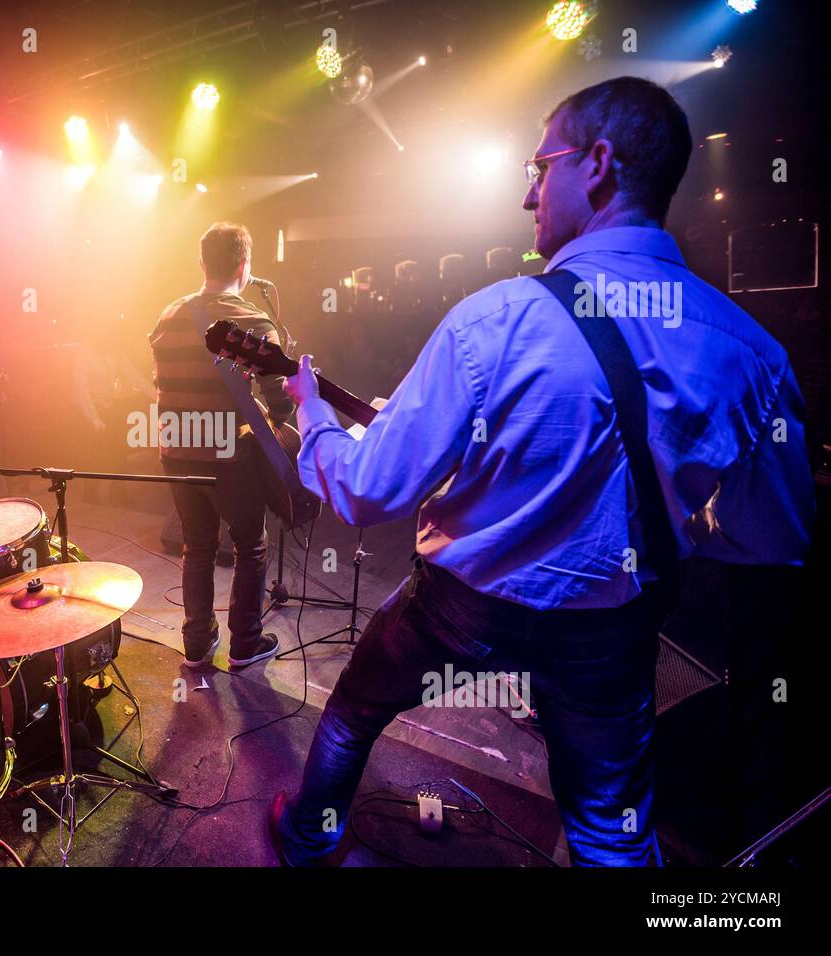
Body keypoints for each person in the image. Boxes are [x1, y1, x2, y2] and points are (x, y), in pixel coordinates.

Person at [270, 76, 815, 866]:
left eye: (540, 166)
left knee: (354, 715)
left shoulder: (497, 319)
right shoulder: (748, 349)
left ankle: (303, 842)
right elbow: (778, 533)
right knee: (607, 828)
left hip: (459, 606)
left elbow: (364, 488)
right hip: (610, 628)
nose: (530, 196)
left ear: (596, 164)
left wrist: (312, 412)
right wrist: (669, 517)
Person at [148, 222, 290, 668]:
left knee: (198, 544)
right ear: (245, 266)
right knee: (250, 545)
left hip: (176, 449)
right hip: (228, 451)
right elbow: (279, 398)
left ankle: (196, 642)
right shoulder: (252, 319)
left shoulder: (168, 315)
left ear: (201, 263)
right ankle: (245, 643)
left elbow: (163, 380)